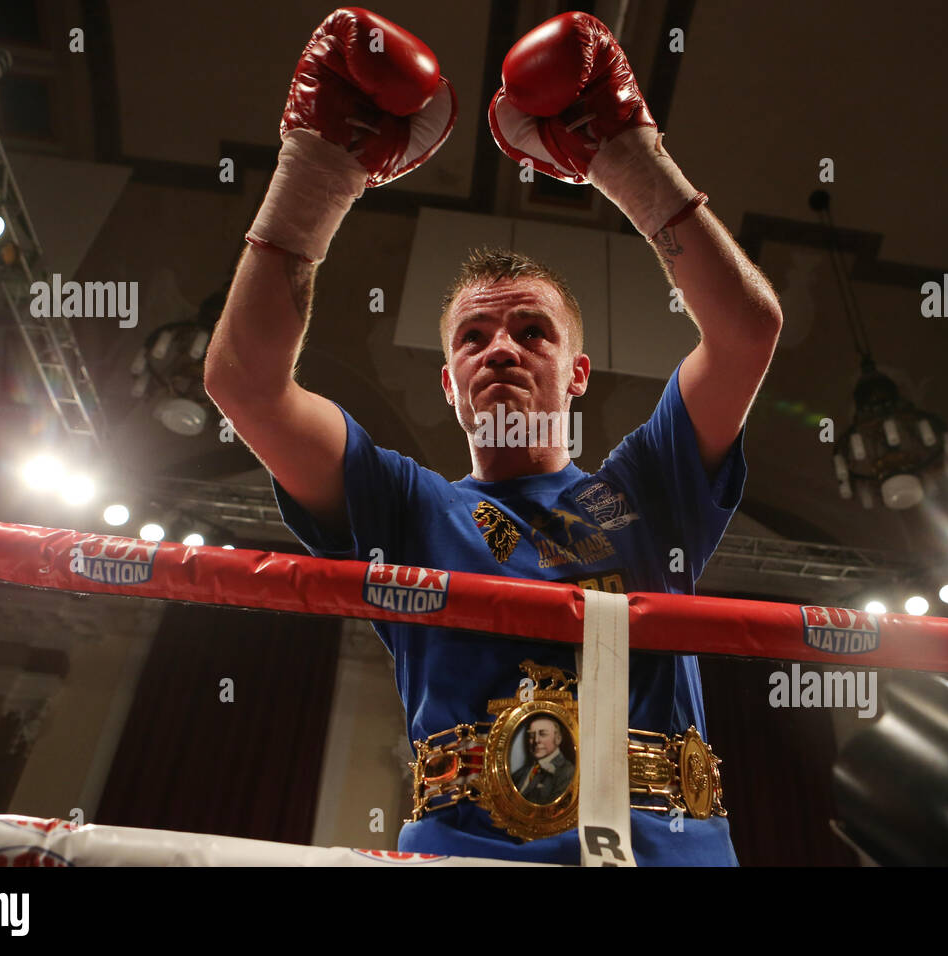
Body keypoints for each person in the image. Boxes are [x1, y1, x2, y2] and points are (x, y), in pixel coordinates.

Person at [205, 8, 782, 866]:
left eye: (532, 331)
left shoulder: (642, 489)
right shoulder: (405, 505)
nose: (500, 348)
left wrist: (625, 154)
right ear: (448, 385)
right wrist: (318, 168)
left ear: (577, 374)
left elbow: (747, 331)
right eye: (472, 339)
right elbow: (244, 384)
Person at [514, 716, 575, 805]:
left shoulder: (567, 772)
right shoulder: (521, 773)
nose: (536, 740)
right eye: (532, 735)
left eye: (543, 734)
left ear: (558, 739)